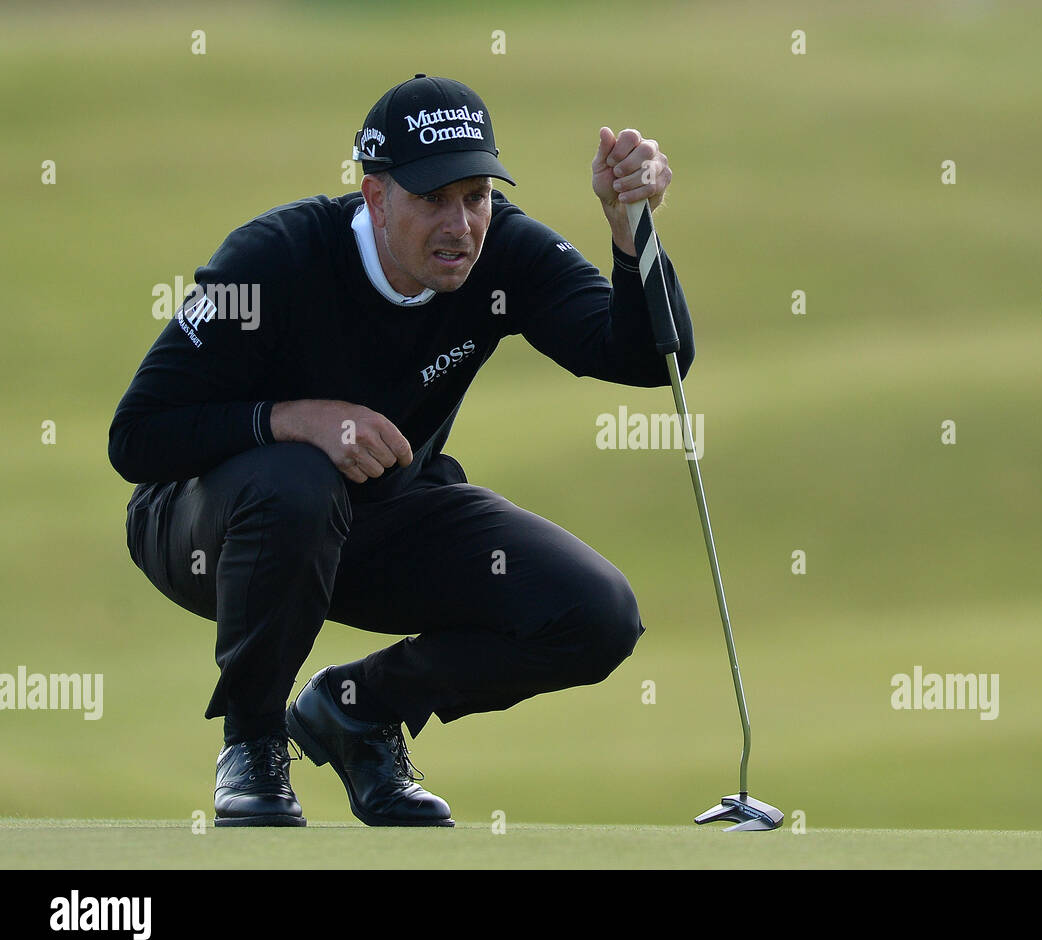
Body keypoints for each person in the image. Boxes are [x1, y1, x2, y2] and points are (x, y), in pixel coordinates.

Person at [107, 75, 693, 827]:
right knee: (297, 481)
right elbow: (139, 436)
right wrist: (291, 418)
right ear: (375, 196)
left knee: (595, 614)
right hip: (205, 527)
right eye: (432, 198)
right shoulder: (275, 259)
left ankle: (360, 710)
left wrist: (630, 229)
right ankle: (251, 744)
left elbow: (647, 360)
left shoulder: (503, 254)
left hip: (375, 516)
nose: (461, 224)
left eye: (476, 195)